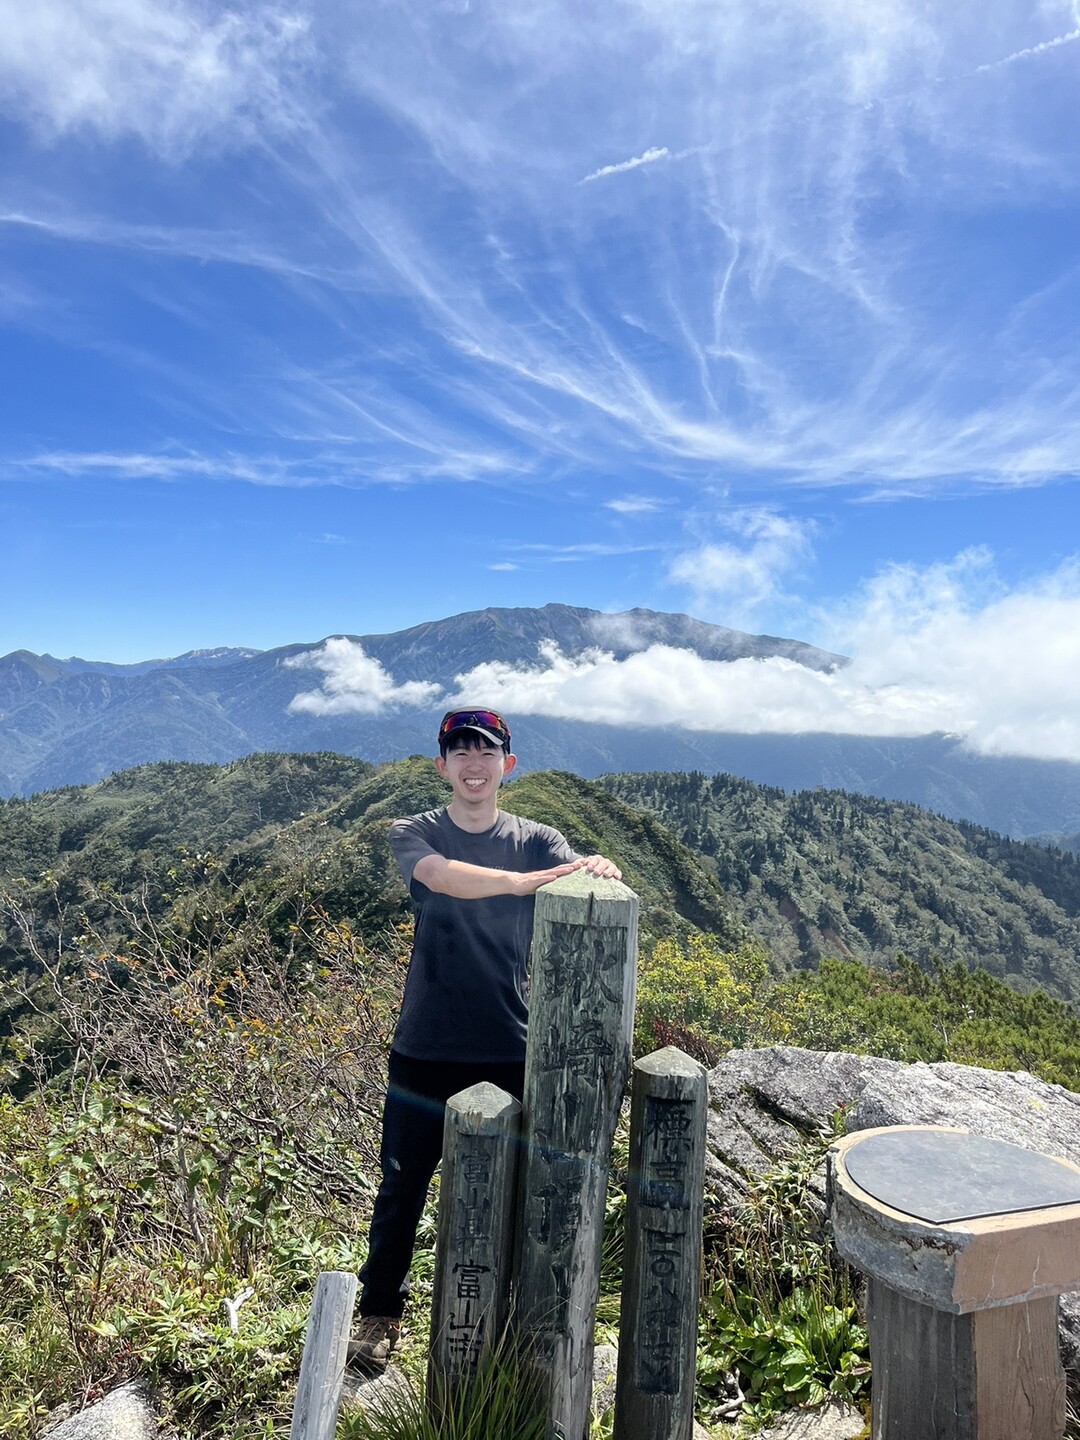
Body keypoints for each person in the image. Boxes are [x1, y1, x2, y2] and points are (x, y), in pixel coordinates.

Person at [350, 706, 622, 1371]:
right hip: (424, 1044)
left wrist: (598, 865)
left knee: (515, 1185)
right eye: (460, 752)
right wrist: (527, 884)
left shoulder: (538, 838)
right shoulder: (414, 831)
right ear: (442, 766)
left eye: (486, 751)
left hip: (509, 1041)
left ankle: (512, 1313)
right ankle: (379, 1312)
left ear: (508, 764)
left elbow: (582, 876)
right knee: (401, 1187)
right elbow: (440, 877)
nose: (474, 764)